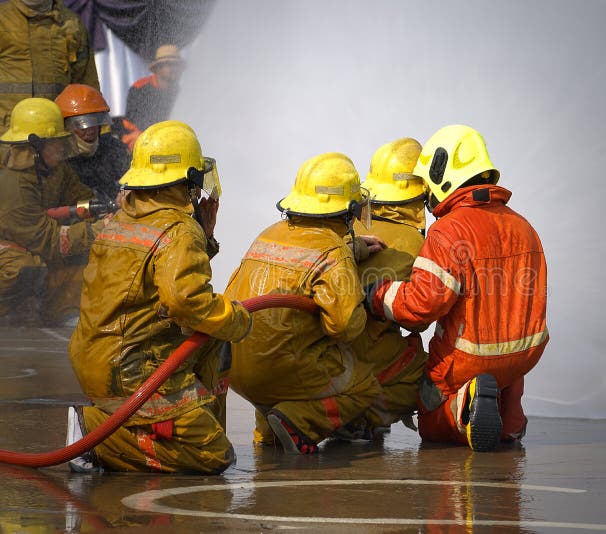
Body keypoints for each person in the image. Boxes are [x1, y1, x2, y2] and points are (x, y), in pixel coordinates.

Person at [67, 120, 252, 473]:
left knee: (213, 340)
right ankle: (94, 436)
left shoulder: (124, 218)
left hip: (97, 357)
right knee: (215, 457)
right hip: (130, 369)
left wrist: (205, 237)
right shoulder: (178, 229)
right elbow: (186, 302)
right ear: (188, 179)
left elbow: (155, 281)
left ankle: (179, 419)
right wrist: (238, 319)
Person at [367, 125, 549, 452]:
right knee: (503, 370)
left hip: (467, 359)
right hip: (524, 356)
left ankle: (465, 406)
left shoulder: (448, 231)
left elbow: (422, 305)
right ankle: (510, 423)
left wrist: (378, 296)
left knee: (431, 413)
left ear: (442, 176)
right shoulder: (524, 227)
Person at [224, 152, 382, 454]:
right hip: (280, 369)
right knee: (364, 385)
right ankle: (300, 422)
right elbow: (345, 326)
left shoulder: (267, 234)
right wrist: (363, 298)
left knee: (275, 354)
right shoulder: (332, 251)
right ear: (347, 210)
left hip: (236, 369)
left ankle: (268, 436)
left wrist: (354, 250)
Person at [339, 137, 429, 439]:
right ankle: (360, 418)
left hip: (319, 356)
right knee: (424, 369)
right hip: (365, 358)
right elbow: (417, 316)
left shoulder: (346, 226)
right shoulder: (417, 243)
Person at [0, 98, 103, 326]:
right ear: (36, 146)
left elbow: (81, 197)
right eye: (56, 142)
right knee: (24, 267)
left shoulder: (53, 169)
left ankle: (53, 312)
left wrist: (107, 209)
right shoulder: (14, 186)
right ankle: (8, 312)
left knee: (88, 268)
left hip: (32, 248)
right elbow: (51, 242)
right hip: (15, 256)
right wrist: (98, 230)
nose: (62, 147)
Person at [0, 0, 100, 136]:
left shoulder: (71, 25)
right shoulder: (3, 19)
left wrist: (101, 131)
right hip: (6, 137)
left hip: (55, 138)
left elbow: (86, 87)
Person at [55, 84, 131, 202]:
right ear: (66, 127)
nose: (90, 130)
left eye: (94, 122)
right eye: (81, 125)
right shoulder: (59, 159)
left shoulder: (113, 148)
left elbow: (132, 178)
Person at [122, 45, 185, 151]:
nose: (174, 69)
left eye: (176, 65)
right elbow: (134, 122)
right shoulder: (140, 88)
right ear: (158, 68)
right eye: (169, 64)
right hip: (143, 138)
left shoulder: (181, 93)